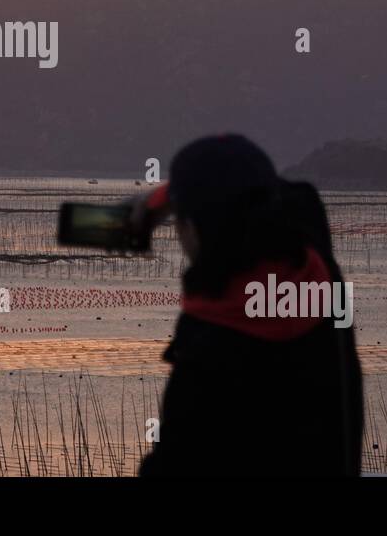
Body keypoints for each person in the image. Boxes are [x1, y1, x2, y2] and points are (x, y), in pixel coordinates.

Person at [136, 134, 363, 477]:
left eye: (180, 220)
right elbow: (282, 198)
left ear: (195, 229)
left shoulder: (209, 352)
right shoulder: (316, 276)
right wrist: (170, 198)